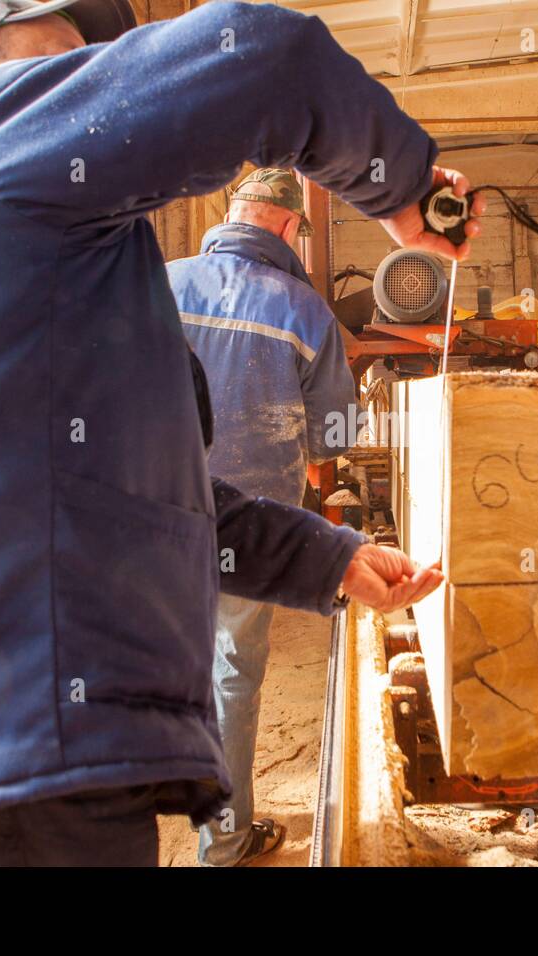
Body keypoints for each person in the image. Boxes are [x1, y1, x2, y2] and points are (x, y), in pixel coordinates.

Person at [0, 0, 479, 866]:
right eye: (62, 58)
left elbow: (134, 495)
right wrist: (409, 187)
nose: (88, 76)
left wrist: (328, 560)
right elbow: (270, 58)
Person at [168, 169, 351, 864]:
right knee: (228, 678)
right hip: (248, 530)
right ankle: (225, 843)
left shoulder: (156, 281)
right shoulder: (305, 311)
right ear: (285, 227)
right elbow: (332, 437)